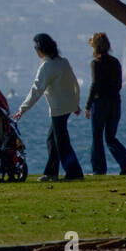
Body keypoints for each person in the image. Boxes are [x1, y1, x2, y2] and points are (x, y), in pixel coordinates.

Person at [14, 33, 84, 181]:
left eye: (35, 47)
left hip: (58, 108)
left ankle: (74, 173)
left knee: (61, 142)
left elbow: (37, 89)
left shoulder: (47, 66)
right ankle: (51, 172)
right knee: (53, 139)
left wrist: (23, 108)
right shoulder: (63, 62)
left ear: (41, 49)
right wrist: (75, 103)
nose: (35, 50)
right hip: (67, 106)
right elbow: (74, 83)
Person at [83, 32, 126, 175]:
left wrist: (88, 105)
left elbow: (95, 84)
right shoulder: (116, 62)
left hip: (100, 103)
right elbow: (119, 85)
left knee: (97, 137)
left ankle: (99, 169)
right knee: (110, 137)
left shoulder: (96, 63)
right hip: (115, 102)